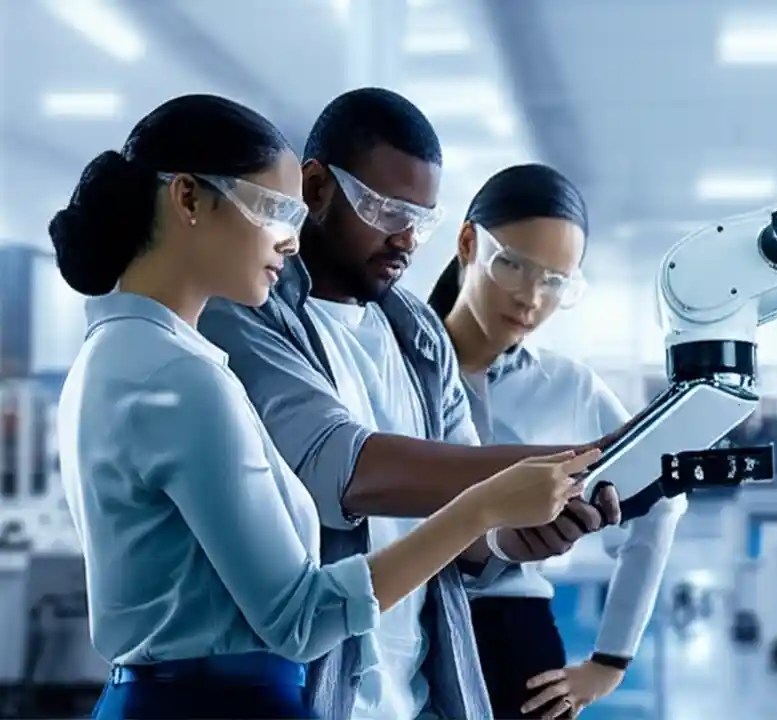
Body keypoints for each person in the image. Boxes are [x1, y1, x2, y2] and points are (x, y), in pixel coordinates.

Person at [51, 94, 597, 720]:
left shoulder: (124, 352)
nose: (289, 239)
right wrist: (486, 500)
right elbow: (302, 616)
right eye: (272, 211)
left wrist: (496, 526)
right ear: (188, 199)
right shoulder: (183, 374)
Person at [197, 88, 623, 720]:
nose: (406, 239)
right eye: (384, 210)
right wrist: (546, 469)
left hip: (419, 695)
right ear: (315, 188)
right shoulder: (246, 314)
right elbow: (343, 469)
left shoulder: (420, 338)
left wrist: (515, 536)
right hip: (309, 690)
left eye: (420, 221)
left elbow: (467, 531)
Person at [426, 163, 688, 719]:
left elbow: (660, 496)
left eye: (554, 282)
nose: (530, 298)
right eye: (513, 265)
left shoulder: (569, 387)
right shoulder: (390, 361)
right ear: (468, 243)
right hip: (400, 617)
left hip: (510, 637)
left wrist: (611, 659)